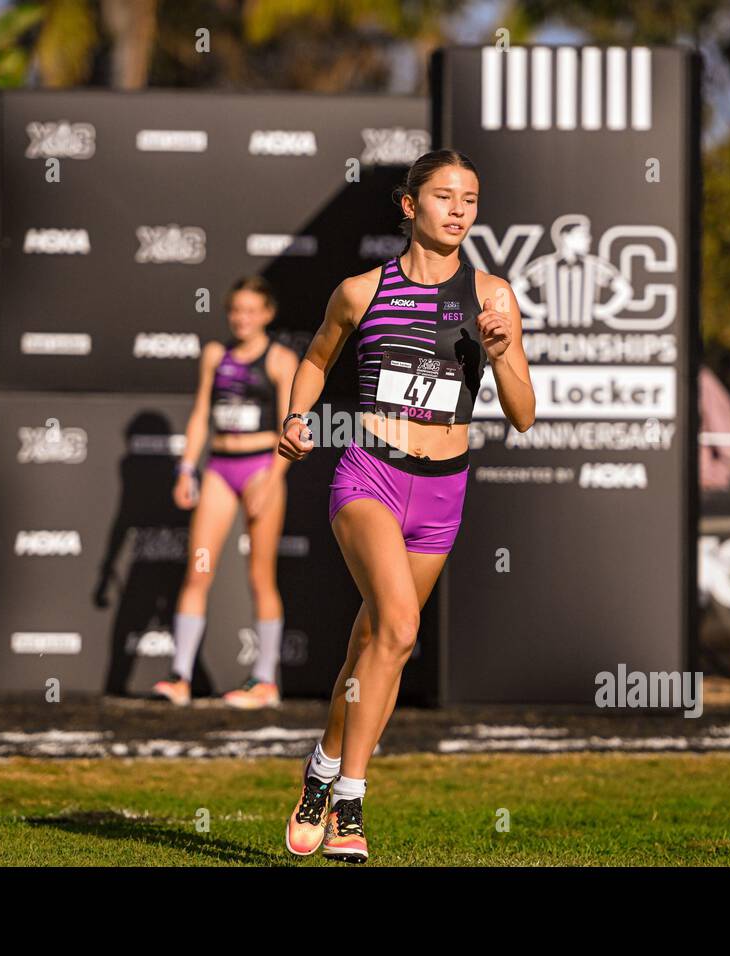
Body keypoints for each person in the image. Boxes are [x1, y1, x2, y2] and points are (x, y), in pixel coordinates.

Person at [276, 149, 536, 863]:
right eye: (445, 196)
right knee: (398, 626)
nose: (458, 209)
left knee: (375, 646)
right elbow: (316, 358)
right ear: (409, 205)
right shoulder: (361, 291)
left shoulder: (493, 296)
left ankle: (322, 770)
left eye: (471, 199)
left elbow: (523, 415)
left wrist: (505, 350)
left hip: (444, 491)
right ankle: (352, 804)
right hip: (370, 476)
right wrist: (298, 416)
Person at [153, 276, 299, 709]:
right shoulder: (215, 356)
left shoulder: (280, 360)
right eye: (236, 310)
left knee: (260, 576)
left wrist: (273, 480)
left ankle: (264, 680)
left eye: (251, 310)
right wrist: (186, 469)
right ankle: (180, 676)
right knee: (198, 570)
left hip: (261, 468)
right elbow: (201, 414)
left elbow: (293, 425)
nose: (242, 318)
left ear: (268, 314)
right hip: (219, 468)